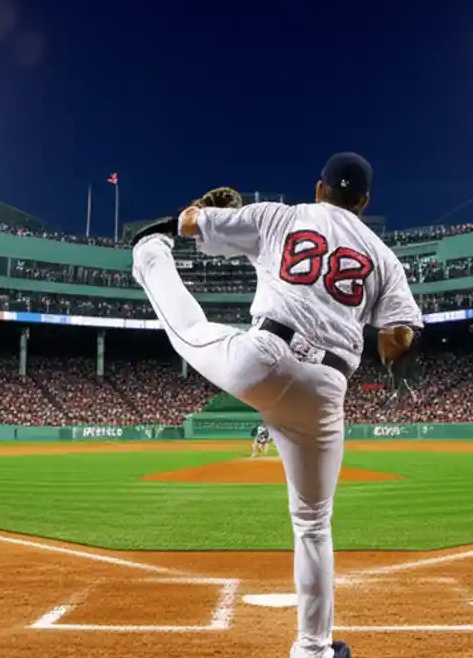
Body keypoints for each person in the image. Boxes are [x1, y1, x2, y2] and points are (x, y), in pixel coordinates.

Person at [131, 152, 421, 658]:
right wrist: (389, 346)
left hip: (265, 358)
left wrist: (194, 211)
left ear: (319, 189)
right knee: (313, 523)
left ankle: (147, 256)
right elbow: (398, 334)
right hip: (327, 388)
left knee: (191, 333)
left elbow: (190, 224)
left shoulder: (282, 214)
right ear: (365, 201)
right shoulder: (384, 258)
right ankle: (313, 649)